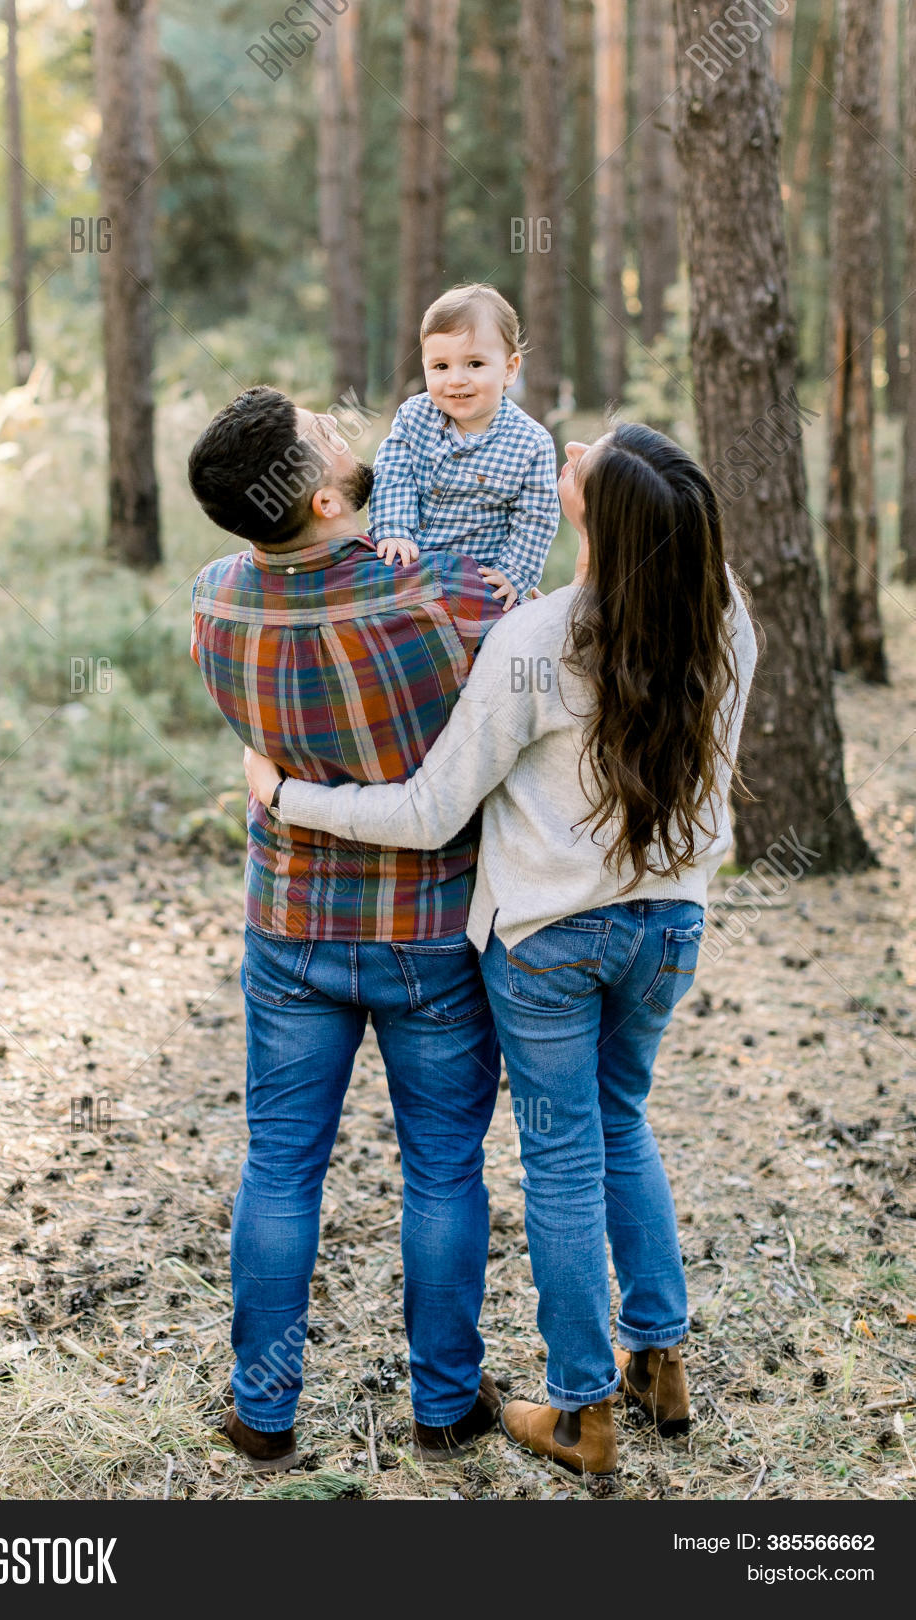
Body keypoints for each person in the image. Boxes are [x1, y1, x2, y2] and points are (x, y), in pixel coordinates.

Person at [245, 422, 760, 1490]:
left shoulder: (536, 641)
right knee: (623, 1122)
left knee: (563, 1154)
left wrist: (291, 796)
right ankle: (658, 1363)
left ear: (592, 515)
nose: (566, 447)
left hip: (549, 943)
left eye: (585, 456)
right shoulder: (727, 621)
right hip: (669, 926)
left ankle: (581, 1411)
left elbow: (434, 812)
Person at [187, 384, 510, 1473]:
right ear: (325, 495)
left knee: (280, 1167)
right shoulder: (444, 599)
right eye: (325, 436)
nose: (342, 427)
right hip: (426, 928)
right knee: (443, 1170)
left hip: (288, 925)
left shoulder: (213, 602)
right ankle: (445, 1407)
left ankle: (262, 1414)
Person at [369, 283, 561, 611]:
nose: (456, 379)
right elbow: (393, 475)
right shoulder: (414, 416)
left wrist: (514, 573)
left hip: (479, 583)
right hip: (408, 566)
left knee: (493, 641)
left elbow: (536, 517)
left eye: (474, 364)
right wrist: (393, 528)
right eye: (441, 367)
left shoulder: (531, 443)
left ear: (510, 369)